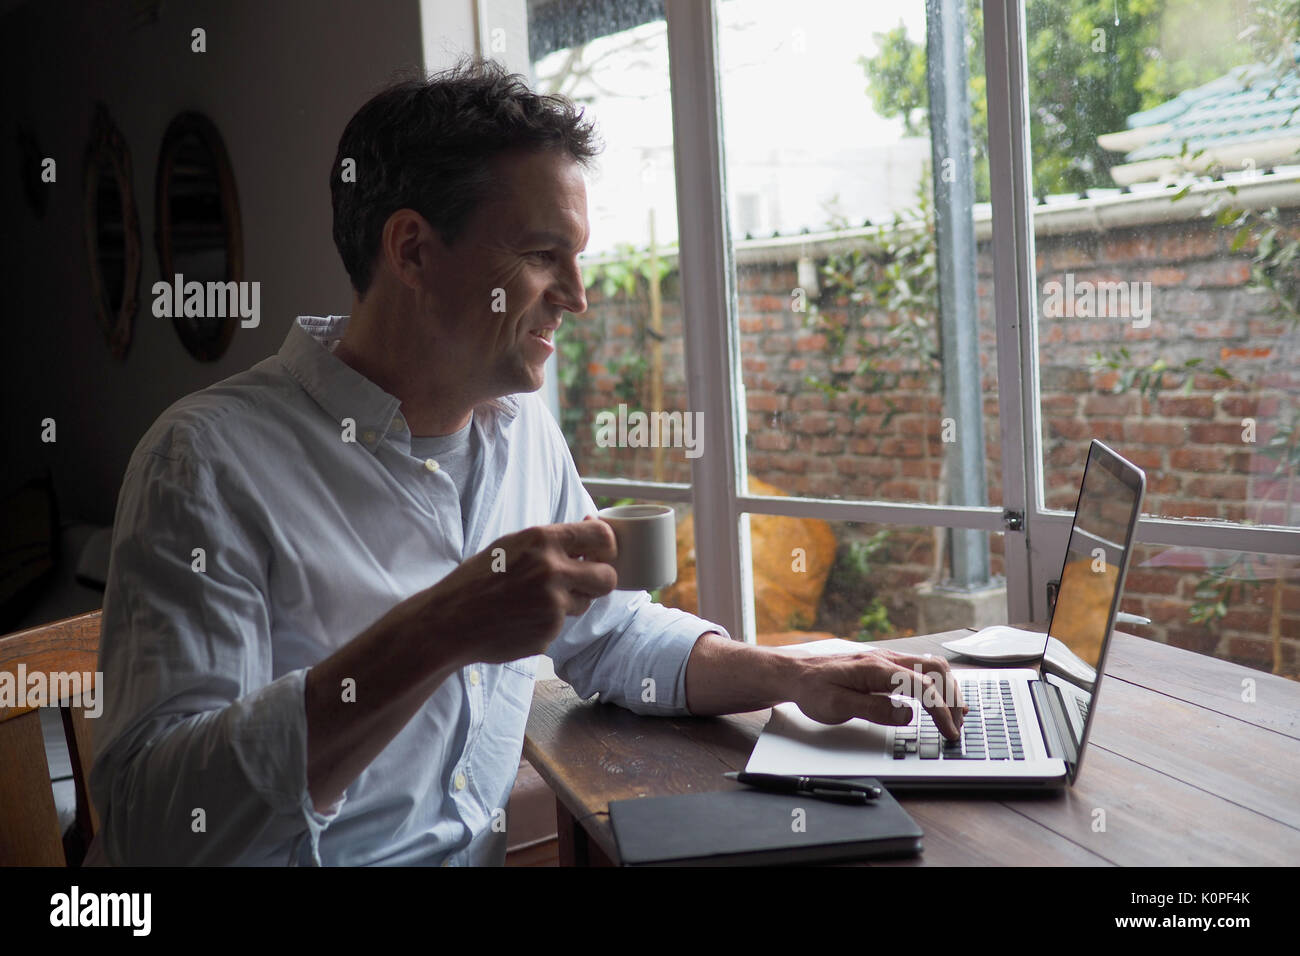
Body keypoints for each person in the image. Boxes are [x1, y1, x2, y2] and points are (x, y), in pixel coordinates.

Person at [88, 58, 964, 866]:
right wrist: (441, 627)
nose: (578, 297)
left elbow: (611, 631)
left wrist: (792, 673)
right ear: (412, 251)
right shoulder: (203, 462)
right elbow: (159, 828)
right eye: (544, 255)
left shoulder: (521, 431)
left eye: (576, 259)